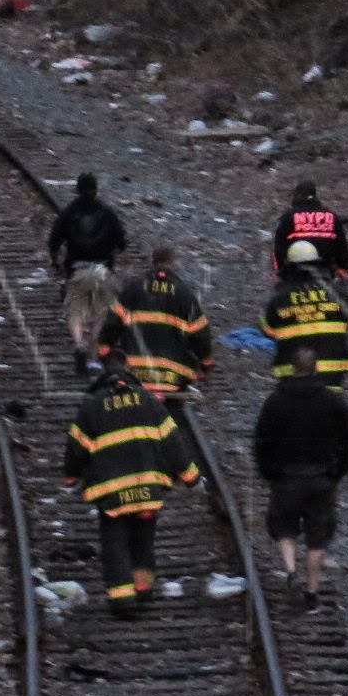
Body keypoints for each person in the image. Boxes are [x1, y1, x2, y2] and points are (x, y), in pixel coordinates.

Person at [61, 348, 201, 615]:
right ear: (128, 368)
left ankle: (123, 600)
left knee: (115, 542)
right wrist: (191, 477)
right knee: (143, 542)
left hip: (112, 492)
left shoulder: (92, 405)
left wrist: (71, 476)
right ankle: (144, 591)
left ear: (103, 370)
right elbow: (173, 443)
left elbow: (77, 448)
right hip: (147, 489)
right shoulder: (149, 400)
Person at [253, 347, 348, 613]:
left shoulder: (275, 400)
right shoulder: (333, 401)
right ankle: (312, 589)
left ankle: (290, 569)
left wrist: (269, 472)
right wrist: (338, 472)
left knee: (285, 527)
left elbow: (262, 441)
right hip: (322, 477)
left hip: (286, 477)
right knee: (317, 537)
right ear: (316, 368)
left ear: (292, 369)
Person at [96, 245, 214, 398]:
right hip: (174, 377)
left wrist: (104, 352)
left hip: (134, 374)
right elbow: (201, 335)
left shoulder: (133, 288)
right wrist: (206, 365)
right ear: (174, 263)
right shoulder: (185, 294)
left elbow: (112, 324)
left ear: (154, 262)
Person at [48, 172, 128, 375]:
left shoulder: (69, 212)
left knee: (75, 312)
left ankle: (79, 343)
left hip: (77, 270)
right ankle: (93, 359)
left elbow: (54, 241)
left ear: (77, 189)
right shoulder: (107, 213)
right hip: (101, 270)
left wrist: (56, 260)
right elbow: (122, 242)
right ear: (96, 189)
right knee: (99, 316)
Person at [260, 240, 348, 388]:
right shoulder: (336, 292)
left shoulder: (280, 298)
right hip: (332, 371)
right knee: (331, 407)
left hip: (293, 371)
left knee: (297, 408)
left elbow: (267, 328)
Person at [271, 180, 348, 287]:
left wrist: (278, 270)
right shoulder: (331, 216)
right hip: (325, 269)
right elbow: (341, 243)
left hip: (295, 271)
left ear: (297, 195)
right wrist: (343, 267)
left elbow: (278, 246)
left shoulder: (288, 217)